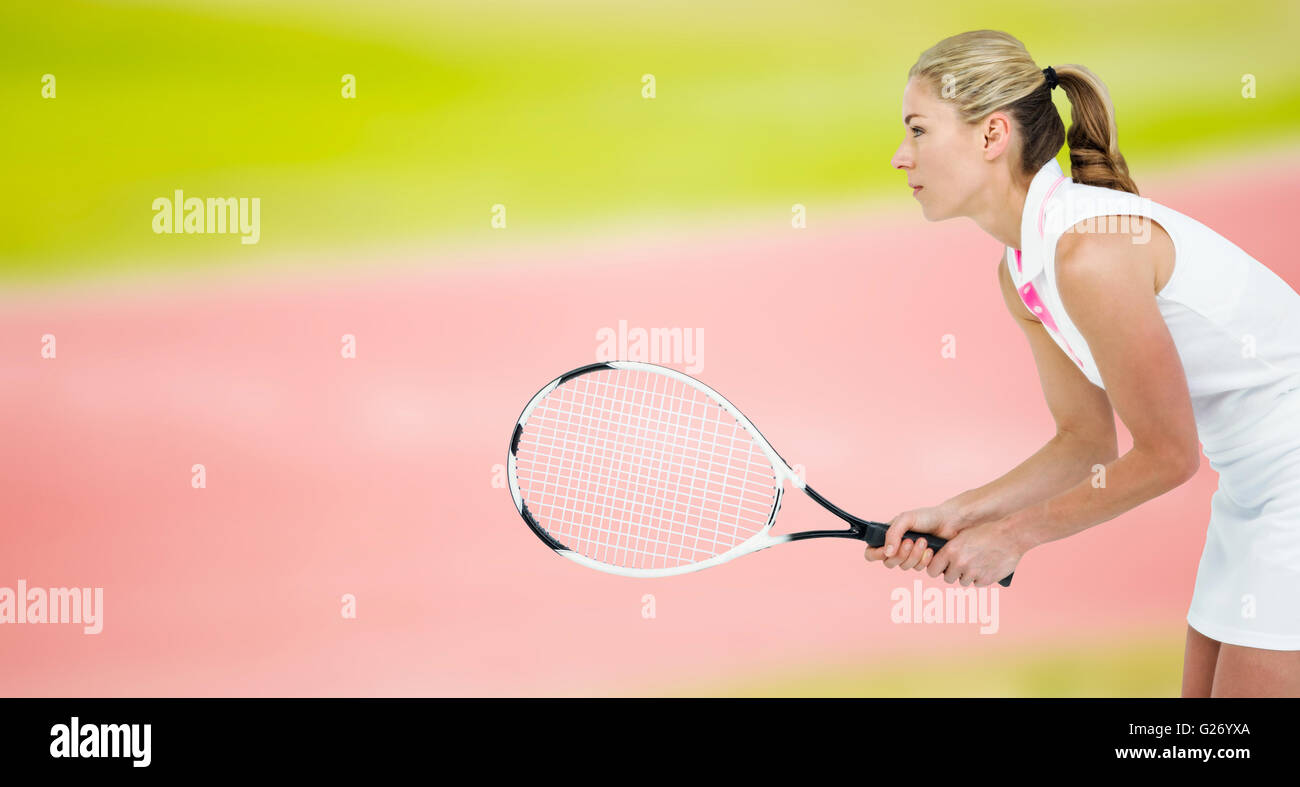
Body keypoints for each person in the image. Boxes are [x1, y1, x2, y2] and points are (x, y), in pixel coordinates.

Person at [868, 29, 1300, 697]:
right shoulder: (1024, 271)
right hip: (1254, 489)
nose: (900, 156)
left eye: (919, 130)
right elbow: (1085, 443)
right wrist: (959, 513)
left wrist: (1011, 537)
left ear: (992, 136)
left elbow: (1167, 454)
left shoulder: (1088, 253)